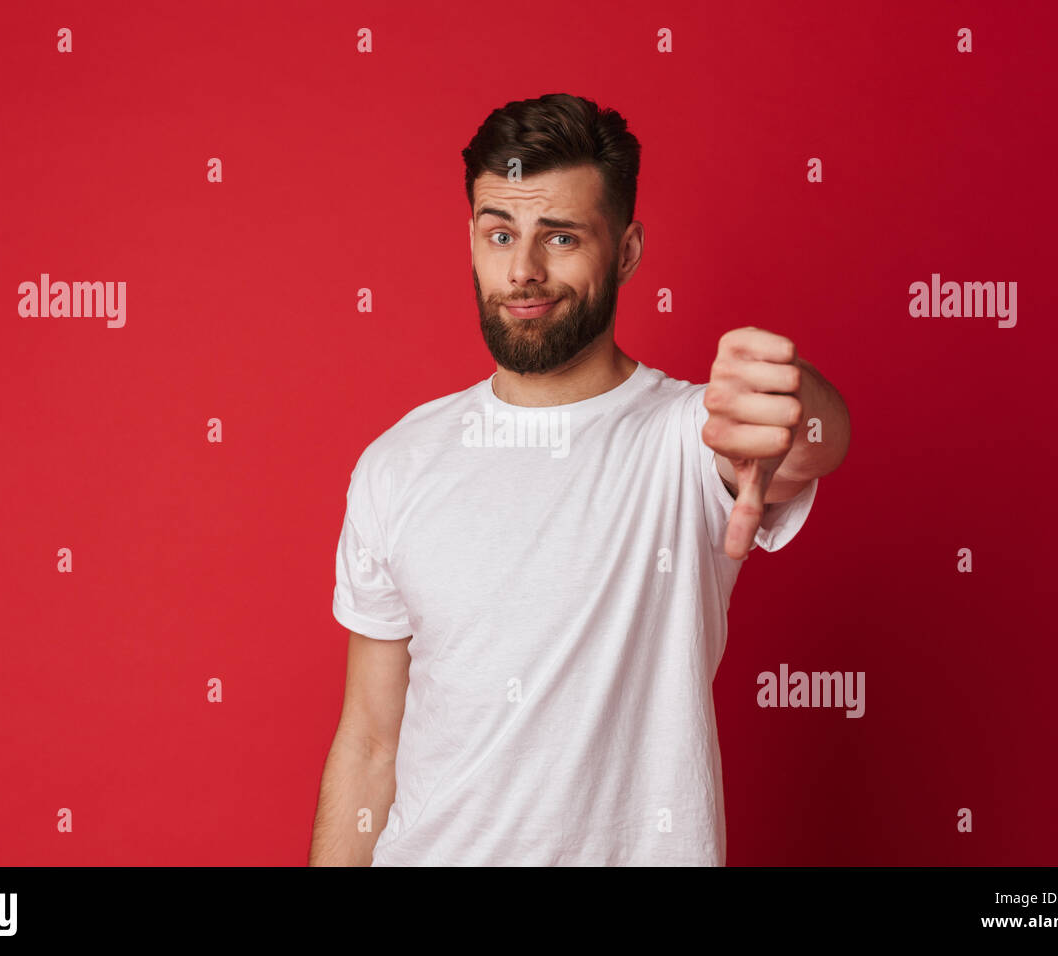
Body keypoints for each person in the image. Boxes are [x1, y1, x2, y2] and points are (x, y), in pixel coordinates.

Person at [310, 93, 850, 866]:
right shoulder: (397, 463)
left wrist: (788, 393)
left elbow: (808, 445)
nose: (523, 271)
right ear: (471, 239)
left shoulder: (689, 439)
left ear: (626, 251)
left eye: (560, 237)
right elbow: (368, 740)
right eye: (501, 234)